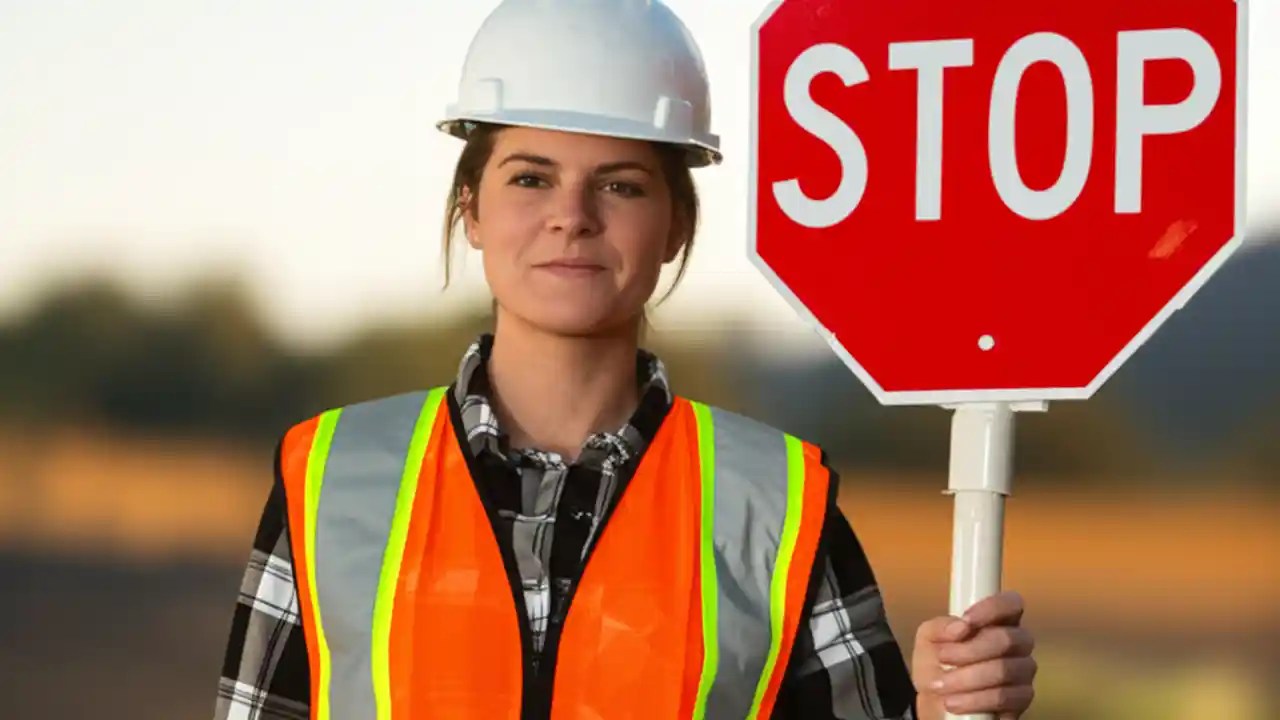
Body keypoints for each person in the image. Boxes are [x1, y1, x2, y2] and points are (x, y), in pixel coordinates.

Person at [214, 0, 1037, 718]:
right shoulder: (332, 476)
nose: (571, 216)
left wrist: (937, 710)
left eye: (621, 185)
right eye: (530, 178)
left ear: (678, 223)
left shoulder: (776, 505)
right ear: (470, 209)